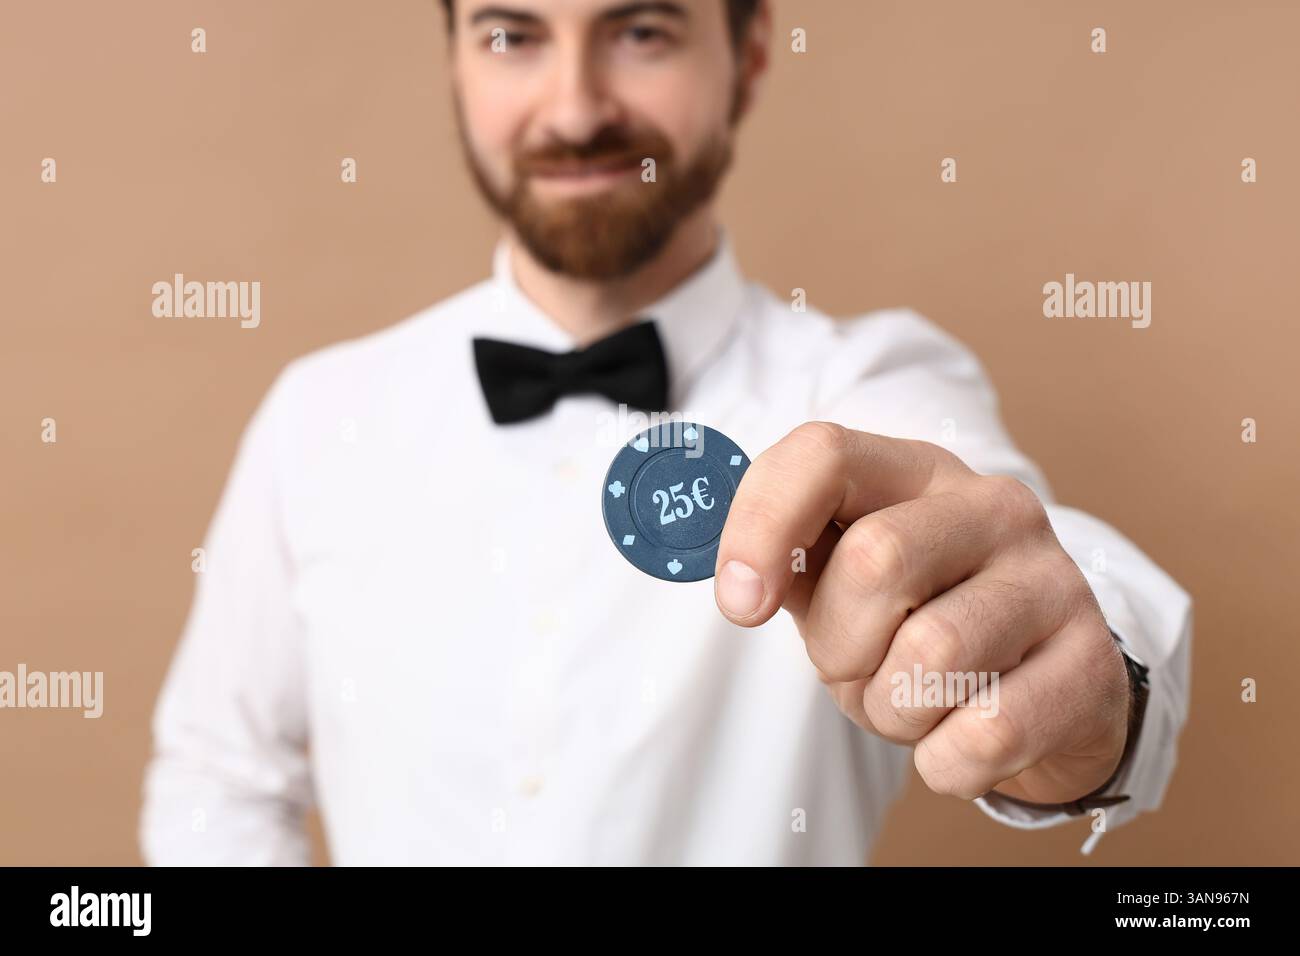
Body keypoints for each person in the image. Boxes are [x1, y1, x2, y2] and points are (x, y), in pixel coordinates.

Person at [140, 0, 1191, 865]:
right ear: (454, 64)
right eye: (512, 35)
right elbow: (218, 776)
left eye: (641, 30)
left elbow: (1029, 546)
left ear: (747, 56)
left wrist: (1096, 690)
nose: (575, 107)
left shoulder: (871, 387)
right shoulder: (318, 415)